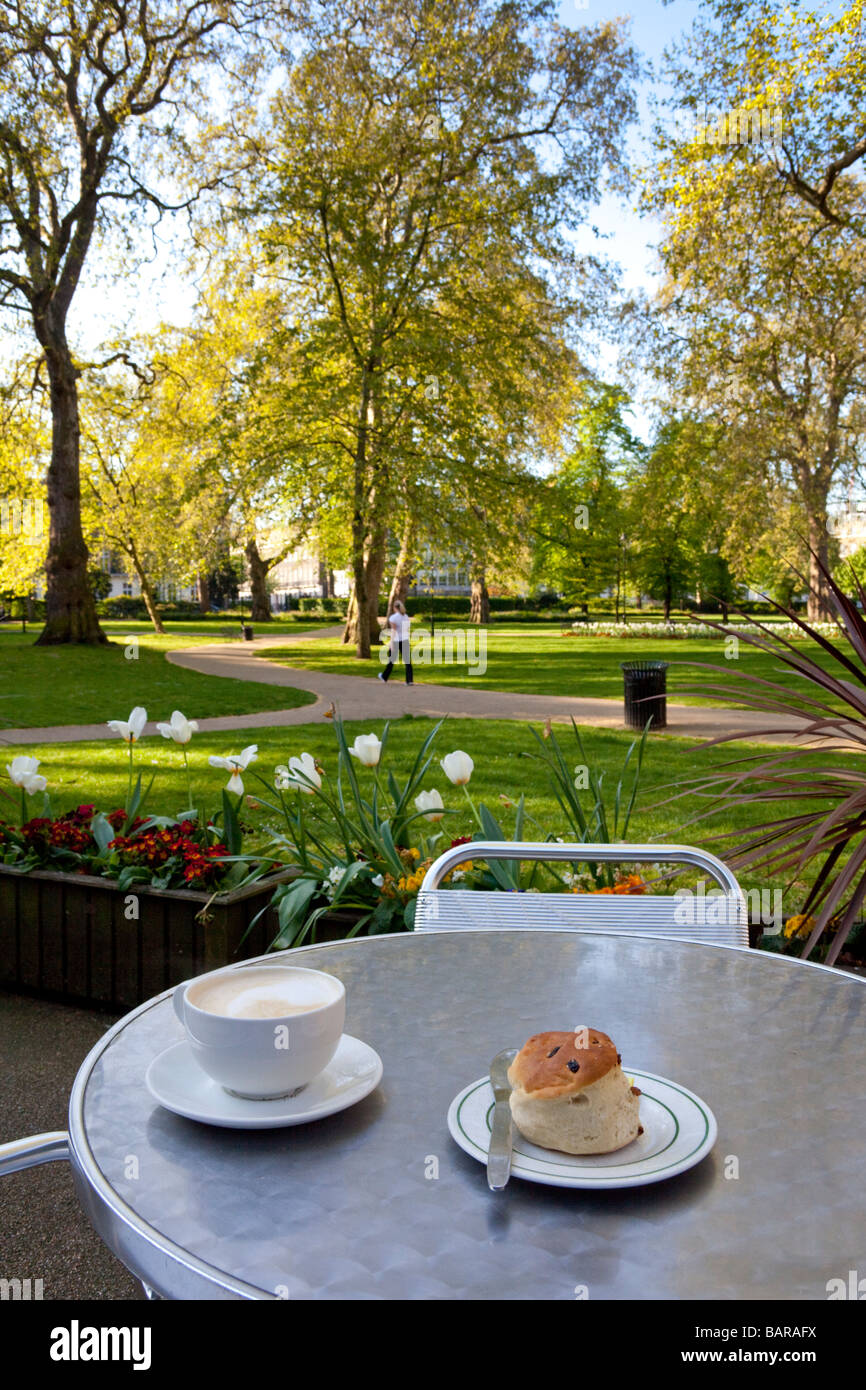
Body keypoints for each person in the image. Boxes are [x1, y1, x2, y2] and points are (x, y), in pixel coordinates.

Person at [378, 600, 414, 685]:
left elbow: (393, 631)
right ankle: (409, 680)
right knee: (407, 661)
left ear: (394, 608)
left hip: (396, 640)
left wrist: (391, 643)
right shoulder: (406, 616)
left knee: (391, 660)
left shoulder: (393, 618)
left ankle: (384, 676)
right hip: (405, 640)